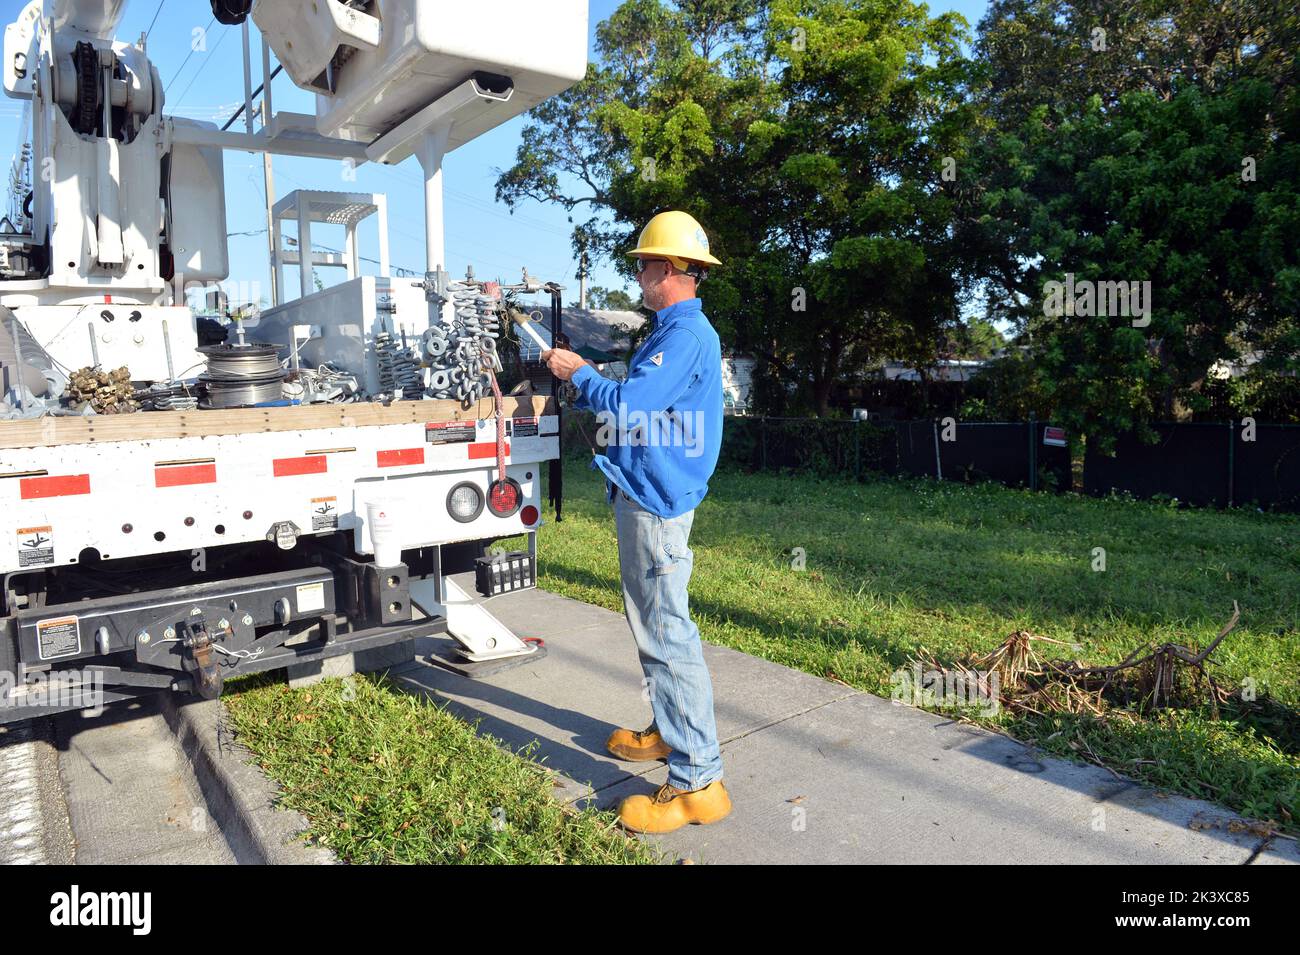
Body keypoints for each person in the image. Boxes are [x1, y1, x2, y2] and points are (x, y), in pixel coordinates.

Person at [541, 210, 730, 834]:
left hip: (654, 500)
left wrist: (580, 374)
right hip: (648, 491)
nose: (640, 273)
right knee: (655, 627)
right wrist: (591, 378)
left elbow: (628, 404)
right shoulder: (669, 331)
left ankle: (698, 781)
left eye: (645, 263)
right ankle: (670, 732)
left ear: (672, 270)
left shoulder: (683, 336)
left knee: (667, 635)